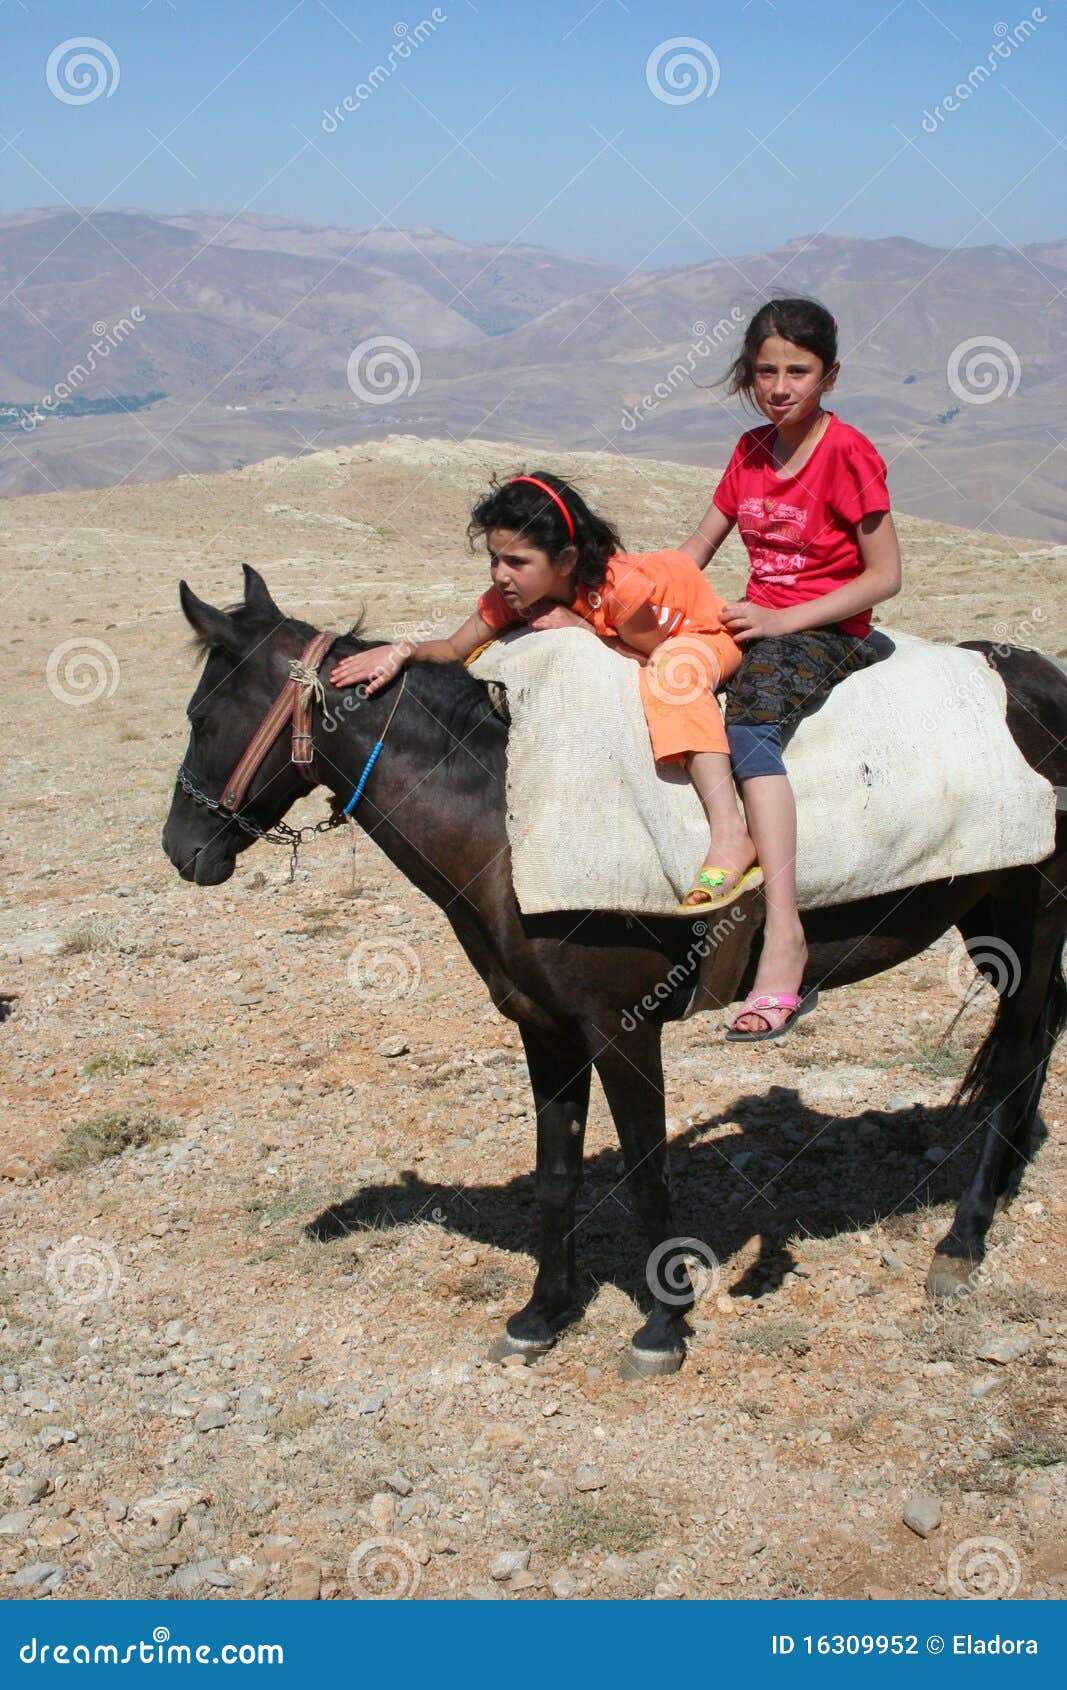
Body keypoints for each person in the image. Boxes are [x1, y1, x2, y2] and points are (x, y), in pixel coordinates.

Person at [330, 472, 761, 909]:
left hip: (697, 634)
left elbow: (654, 655)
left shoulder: (619, 588)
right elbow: (454, 648)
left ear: (566, 560)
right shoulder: (511, 596)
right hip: (654, 642)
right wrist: (400, 650)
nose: (501, 575)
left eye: (517, 561)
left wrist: (584, 629)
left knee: (674, 674)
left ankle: (730, 833)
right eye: (495, 559)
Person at [679, 297, 902, 1041]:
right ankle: (715, 840)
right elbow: (693, 555)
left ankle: (783, 935)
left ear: (828, 374)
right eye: (765, 371)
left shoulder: (848, 453)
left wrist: (778, 619)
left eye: (797, 372)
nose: (779, 387)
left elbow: (883, 576)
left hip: (824, 624)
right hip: (755, 616)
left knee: (749, 723)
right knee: (666, 676)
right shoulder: (747, 451)